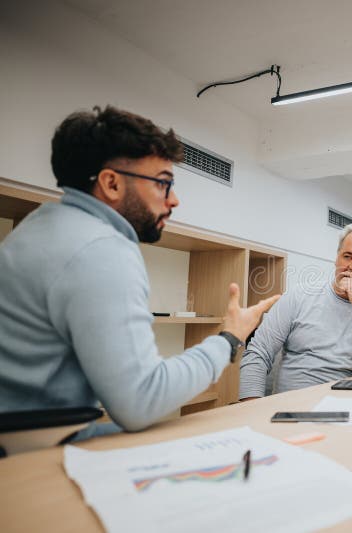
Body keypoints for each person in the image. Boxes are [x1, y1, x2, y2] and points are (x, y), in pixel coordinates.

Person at [0, 105, 278, 433]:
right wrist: (229, 338)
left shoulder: (41, 223)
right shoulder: (102, 248)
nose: (173, 200)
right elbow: (142, 402)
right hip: (31, 452)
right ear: (111, 184)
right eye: (163, 183)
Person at [239, 224, 352, 397]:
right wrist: (251, 405)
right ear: (336, 258)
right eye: (347, 256)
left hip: (348, 408)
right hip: (291, 407)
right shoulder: (298, 296)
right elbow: (258, 353)